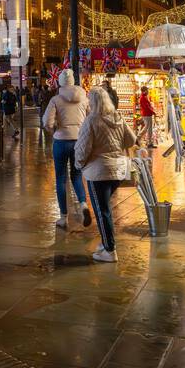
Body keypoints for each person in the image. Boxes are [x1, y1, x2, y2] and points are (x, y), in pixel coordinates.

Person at [74, 86, 137, 263]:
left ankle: (110, 250)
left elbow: (82, 149)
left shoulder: (91, 120)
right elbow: (131, 140)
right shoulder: (117, 117)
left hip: (99, 172)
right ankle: (106, 243)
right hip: (117, 170)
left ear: (92, 102)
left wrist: (79, 165)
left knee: (102, 212)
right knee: (106, 208)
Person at [41, 69, 91, 230]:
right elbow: (90, 118)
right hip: (79, 140)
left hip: (61, 140)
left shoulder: (56, 100)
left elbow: (47, 122)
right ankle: (83, 204)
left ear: (60, 83)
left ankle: (63, 217)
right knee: (77, 176)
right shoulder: (84, 98)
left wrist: (53, 131)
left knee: (61, 179)